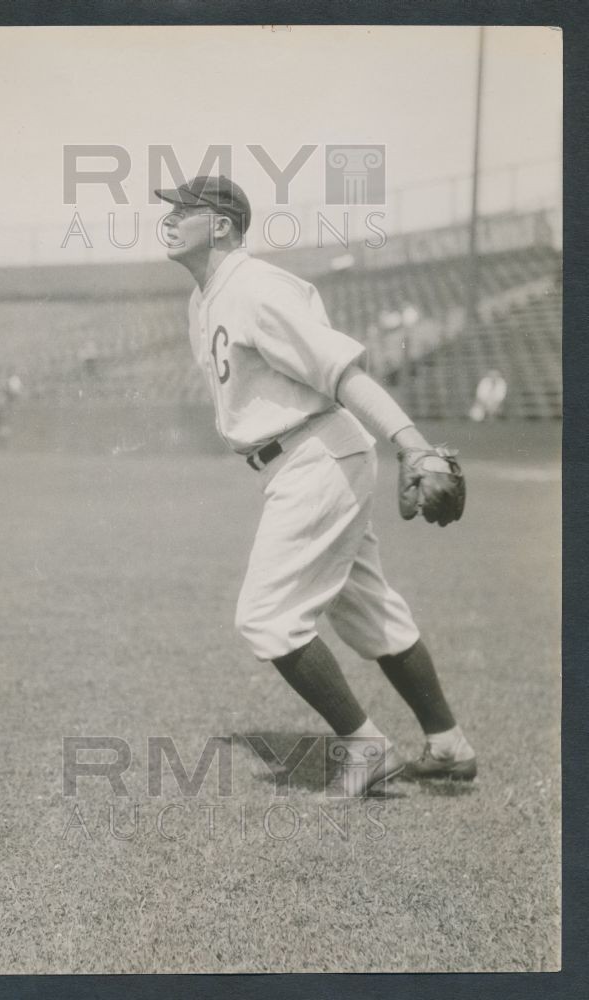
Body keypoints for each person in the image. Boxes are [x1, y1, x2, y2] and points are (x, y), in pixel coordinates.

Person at [157, 175, 476, 794]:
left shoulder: (255, 287)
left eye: (181, 210)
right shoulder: (205, 299)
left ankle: (366, 747)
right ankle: (448, 745)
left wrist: (413, 444)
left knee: (266, 618)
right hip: (298, 460)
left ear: (221, 224)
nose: (167, 220)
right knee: (368, 611)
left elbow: (340, 372)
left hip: (317, 454)